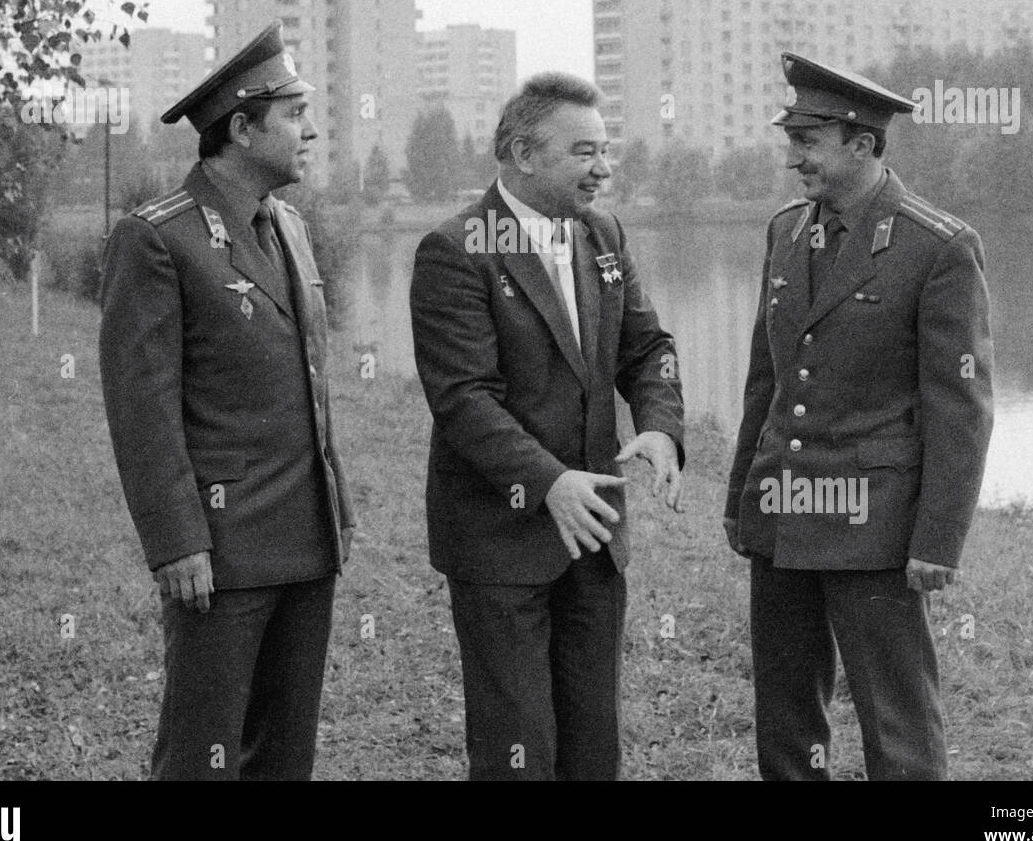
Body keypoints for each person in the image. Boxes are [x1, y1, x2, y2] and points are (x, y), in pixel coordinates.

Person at [723, 51, 994, 781]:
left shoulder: (936, 246)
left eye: (806, 142)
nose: (792, 159)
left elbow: (959, 408)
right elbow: (766, 381)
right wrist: (741, 500)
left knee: (895, 721)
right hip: (783, 512)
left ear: (862, 145)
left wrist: (938, 537)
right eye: (793, 140)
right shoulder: (785, 232)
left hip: (874, 529)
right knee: (785, 718)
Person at [409, 71, 685, 780]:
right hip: (501, 543)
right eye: (585, 152)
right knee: (517, 751)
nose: (605, 169)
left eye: (605, 150)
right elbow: (465, 399)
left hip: (594, 541)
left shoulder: (604, 234)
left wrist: (658, 425)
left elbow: (648, 348)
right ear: (523, 155)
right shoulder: (455, 250)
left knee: (593, 748)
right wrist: (548, 481)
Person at [99, 20, 353, 781]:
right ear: (241, 128)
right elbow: (141, 406)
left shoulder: (292, 227)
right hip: (223, 549)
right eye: (295, 115)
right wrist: (177, 539)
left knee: (284, 757)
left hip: (308, 540)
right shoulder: (156, 239)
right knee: (201, 755)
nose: (312, 130)